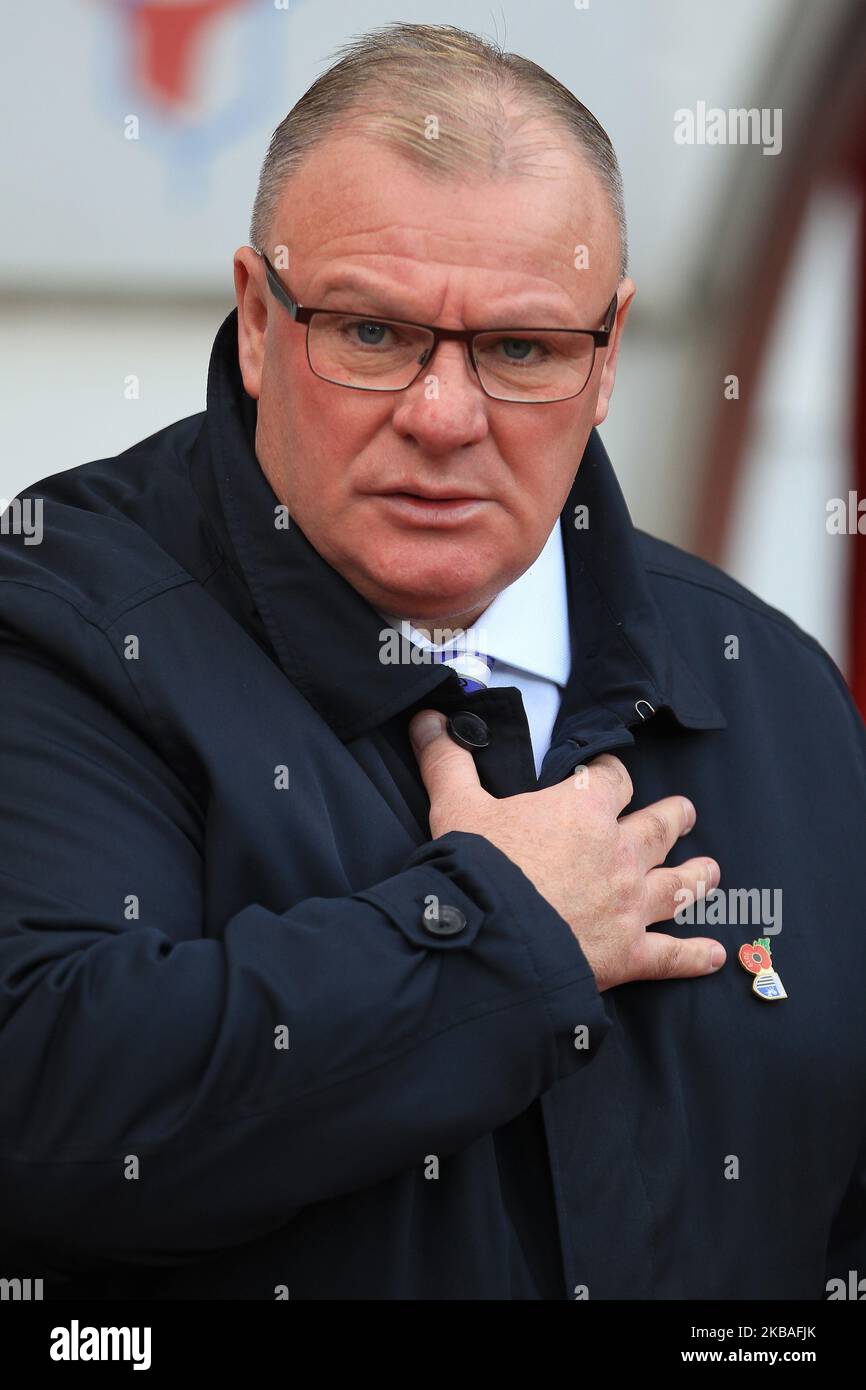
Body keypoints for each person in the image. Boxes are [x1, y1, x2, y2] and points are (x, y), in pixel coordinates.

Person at [1, 21, 864, 1302]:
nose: (443, 416)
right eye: (370, 334)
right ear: (255, 317)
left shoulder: (767, 683)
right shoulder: (59, 628)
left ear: (607, 354)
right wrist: (495, 937)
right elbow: (47, 1114)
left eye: (520, 350)